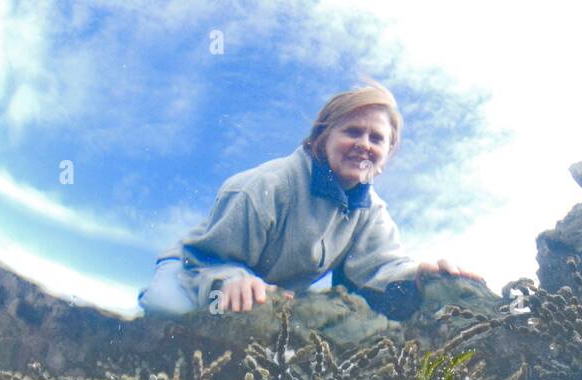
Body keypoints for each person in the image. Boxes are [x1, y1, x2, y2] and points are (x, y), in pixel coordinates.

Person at [138, 83, 482, 322]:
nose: (364, 144)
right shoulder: (263, 187)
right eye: (352, 132)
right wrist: (232, 280)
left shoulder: (371, 210)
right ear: (322, 138)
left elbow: (380, 267)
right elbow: (206, 258)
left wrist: (421, 273)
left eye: (376, 138)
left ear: (386, 154)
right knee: (169, 311)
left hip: (273, 296)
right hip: (193, 271)